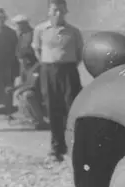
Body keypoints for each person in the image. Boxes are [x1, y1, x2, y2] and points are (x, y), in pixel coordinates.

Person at [32, 0, 83, 161]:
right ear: (49, 11)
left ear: (66, 11)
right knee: (52, 108)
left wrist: (65, 64)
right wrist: (49, 64)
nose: (58, 14)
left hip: (68, 71)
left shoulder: (74, 31)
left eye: (61, 10)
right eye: (55, 10)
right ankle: (56, 148)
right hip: (48, 71)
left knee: (71, 106)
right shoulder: (40, 29)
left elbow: (79, 53)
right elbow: (37, 50)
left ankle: (74, 147)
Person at [6, 54, 47, 130]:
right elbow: (25, 82)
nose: (20, 61)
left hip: (40, 92)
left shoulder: (36, 67)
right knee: (24, 94)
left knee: (28, 95)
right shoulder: (25, 68)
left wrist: (21, 90)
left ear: (28, 59)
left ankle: (41, 121)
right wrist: (14, 89)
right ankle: (35, 119)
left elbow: (33, 84)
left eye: (21, 59)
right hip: (32, 91)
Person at [0, 8, 18, 119]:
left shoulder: (10, 33)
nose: (0, 20)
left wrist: (15, 69)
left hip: (7, 66)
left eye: (2, 18)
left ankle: (8, 112)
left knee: (8, 88)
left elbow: (15, 51)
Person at [13, 15, 37, 83]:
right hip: (23, 66)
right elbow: (18, 49)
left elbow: (34, 49)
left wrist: (24, 56)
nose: (16, 26)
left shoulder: (33, 34)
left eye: (18, 24)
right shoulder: (21, 35)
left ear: (24, 24)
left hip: (32, 65)